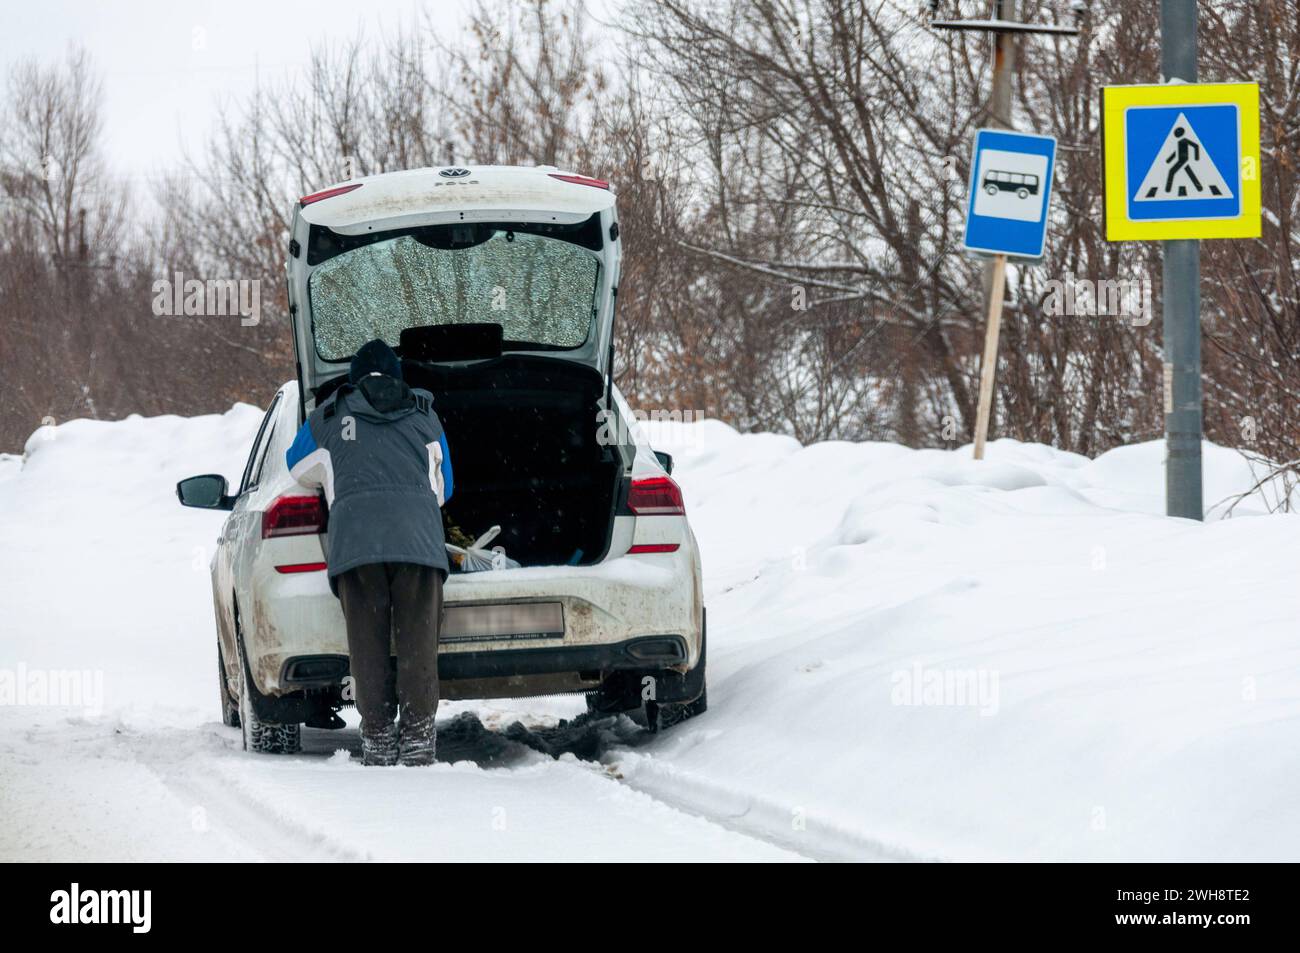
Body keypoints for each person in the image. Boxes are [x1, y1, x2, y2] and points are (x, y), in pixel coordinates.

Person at [285, 338, 453, 766]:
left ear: (354, 381)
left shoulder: (328, 418)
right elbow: (443, 490)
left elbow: (296, 467)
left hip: (357, 546)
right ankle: (417, 737)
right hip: (417, 543)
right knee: (417, 644)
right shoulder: (424, 416)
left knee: (368, 644)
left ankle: (377, 736)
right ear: (397, 378)